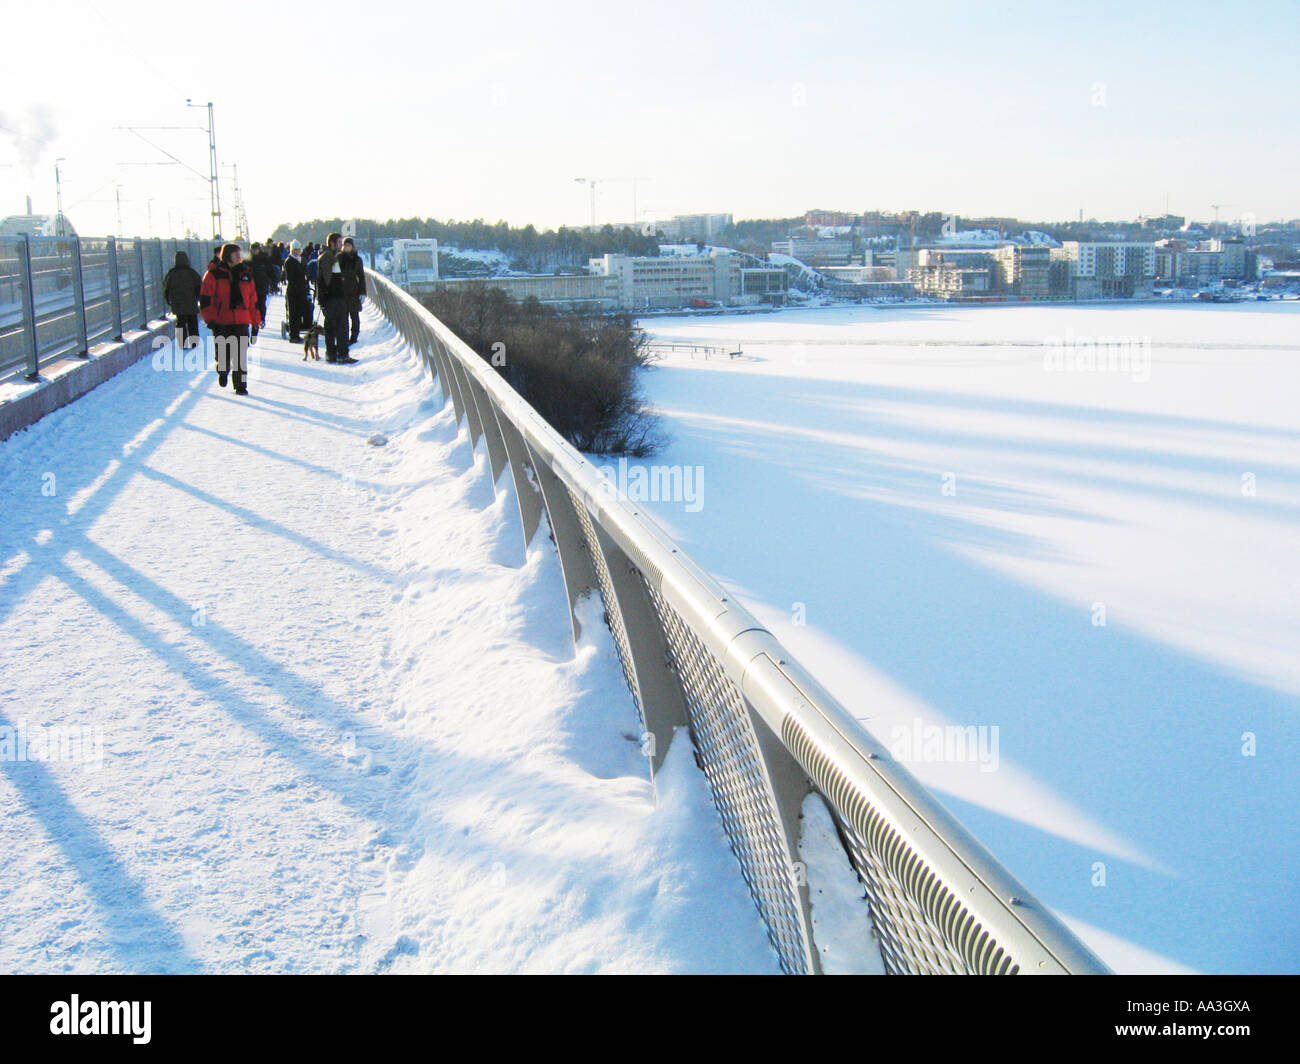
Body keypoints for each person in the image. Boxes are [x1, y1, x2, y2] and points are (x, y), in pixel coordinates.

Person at [199, 243, 261, 396]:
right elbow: (206, 300)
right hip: (221, 322)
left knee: (240, 356)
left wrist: (255, 322)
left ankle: (241, 385)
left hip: (241, 320)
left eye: (240, 254)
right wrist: (211, 320)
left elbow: (252, 301)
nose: (239, 257)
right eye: (235, 254)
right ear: (227, 256)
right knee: (224, 354)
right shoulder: (213, 275)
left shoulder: (246, 275)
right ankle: (222, 370)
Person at [316, 232, 356, 364]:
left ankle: (331, 353)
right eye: (339, 242)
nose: (341, 245)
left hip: (329, 298)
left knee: (330, 326)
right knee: (341, 326)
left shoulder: (329, 256)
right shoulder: (328, 257)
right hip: (333, 298)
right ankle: (342, 354)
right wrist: (333, 294)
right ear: (332, 243)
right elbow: (327, 280)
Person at [162, 250, 203, 349]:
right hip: (191, 303)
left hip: (177, 304)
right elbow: (199, 286)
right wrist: (198, 298)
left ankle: (182, 343)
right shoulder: (192, 273)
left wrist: (168, 300)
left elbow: (166, 288)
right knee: (192, 322)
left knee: (180, 323)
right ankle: (194, 342)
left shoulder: (171, 273)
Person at [282, 240, 312, 343]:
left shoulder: (302, 260)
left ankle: (302, 329)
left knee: (303, 311)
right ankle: (293, 335)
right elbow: (291, 277)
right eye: (294, 250)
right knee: (293, 313)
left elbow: (306, 273)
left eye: (298, 250)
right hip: (293, 290)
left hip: (302, 289)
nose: (296, 251)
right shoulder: (289, 261)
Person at [339, 237, 367, 346]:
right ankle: (344, 337)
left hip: (353, 290)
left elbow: (361, 276)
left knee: (354, 315)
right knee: (343, 316)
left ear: (352, 247)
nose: (347, 247)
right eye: (345, 245)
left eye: (349, 246)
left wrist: (362, 292)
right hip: (341, 290)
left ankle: (354, 336)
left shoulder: (357, 260)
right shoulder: (339, 258)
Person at [248, 243, 272, 342]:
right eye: (253, 249)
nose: (255, 251)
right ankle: (254, 326)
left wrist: (270, 281)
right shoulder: (247, 260)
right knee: (252, 308)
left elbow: (270, 271)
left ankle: (258, 324)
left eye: (256, 249)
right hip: (250, 288)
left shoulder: (264, 259)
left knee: (260, 305)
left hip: (261, 286)